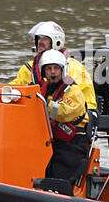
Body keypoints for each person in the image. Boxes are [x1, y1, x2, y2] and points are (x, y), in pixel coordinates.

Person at [10, 20, 96, 110]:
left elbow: (88, 104)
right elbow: (13, 88)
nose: (40, 42)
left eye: (45, 38)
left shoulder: (74, 68)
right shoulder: (29, 68)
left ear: (57, 41)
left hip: (67, 118)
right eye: (38, 38)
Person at [37, 49, 91, 188]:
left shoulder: (72, 91)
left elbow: (64, 112)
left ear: (63, 70)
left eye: (56, 68)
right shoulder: (41, 90)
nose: (53, 72)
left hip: (72, 143)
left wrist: (43, 104)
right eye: (49, 69)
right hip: (50, 142)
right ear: (44, 72)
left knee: (58, 174)